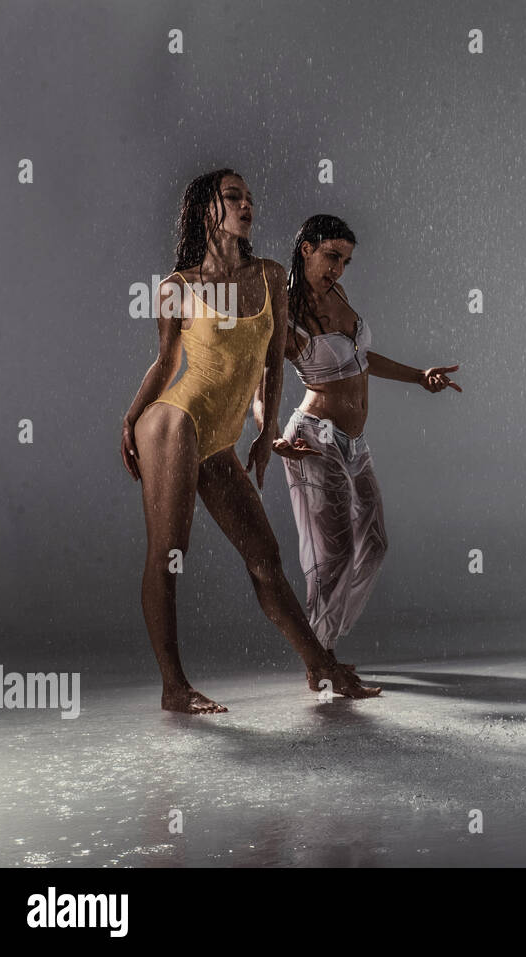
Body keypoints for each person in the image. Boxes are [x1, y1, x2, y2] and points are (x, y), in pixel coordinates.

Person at [120, 169, 381, 713]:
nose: (247, 205)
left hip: (219, 434)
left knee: (265, 557)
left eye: (250, 198)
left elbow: (271, 365)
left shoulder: (268, 275)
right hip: (174, 420)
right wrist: (130, 419)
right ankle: (175, 688)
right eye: (233, 196)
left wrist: (266, 431)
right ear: (206, 210)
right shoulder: (177, 286)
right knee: (169, 554)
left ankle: (321, 668)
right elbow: (166, 362)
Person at [259, 215, 460, 677]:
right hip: (313, 437)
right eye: (332, 257)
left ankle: (321, 639)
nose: (339, 270)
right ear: (305, 248)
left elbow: (362, 359)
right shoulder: (285, 311)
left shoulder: (338, 295)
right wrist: (268, 431)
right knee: (336, 555)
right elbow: (259, 378)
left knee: (374, 544)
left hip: (353, 441)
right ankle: (320, 661)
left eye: (346, 261)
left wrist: (418, 376)